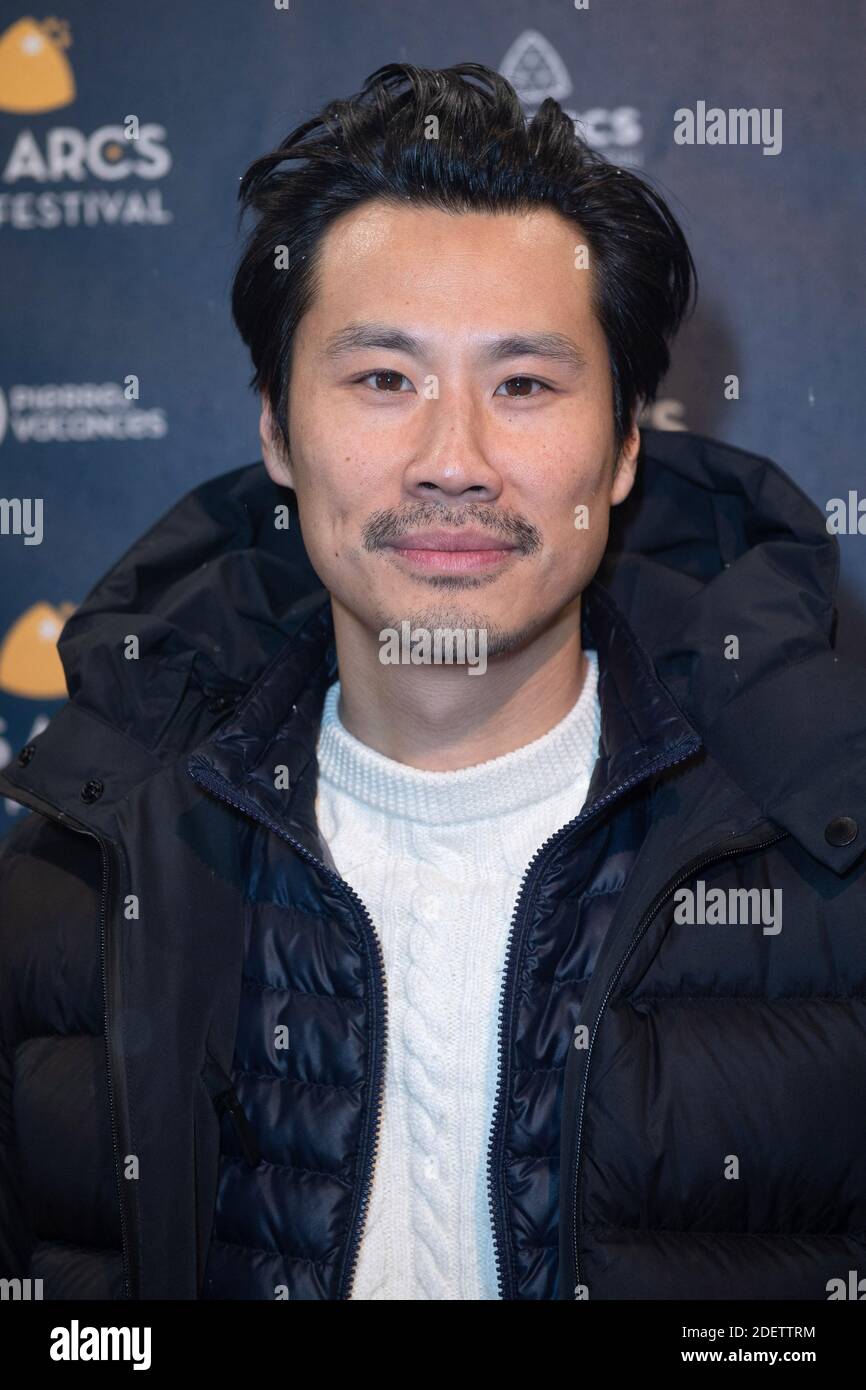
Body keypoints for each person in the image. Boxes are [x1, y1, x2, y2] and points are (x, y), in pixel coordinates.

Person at [1, 61, 864, 1303]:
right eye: (383, 380)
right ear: (275, 434)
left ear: (624, 445)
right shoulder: (70, 888)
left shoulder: (825, 873)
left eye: (522, 385)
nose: (452, 461)